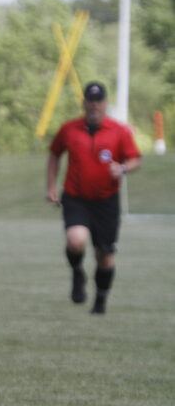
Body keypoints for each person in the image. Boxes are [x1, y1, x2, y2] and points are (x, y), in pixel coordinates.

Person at [45, 81, 140, 314]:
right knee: (76, 240)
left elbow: (135, 159)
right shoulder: (69, 129)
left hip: (106, 201)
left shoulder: (119, 131)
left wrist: (123, 169)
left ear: (105, 104)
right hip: (76, 197)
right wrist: (51, 186)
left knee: (105, 257)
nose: (94, 105)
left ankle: (100, 299)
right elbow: (55, 154)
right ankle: (77, 272)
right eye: (90, 100)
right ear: (84, 103)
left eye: (99, 101)